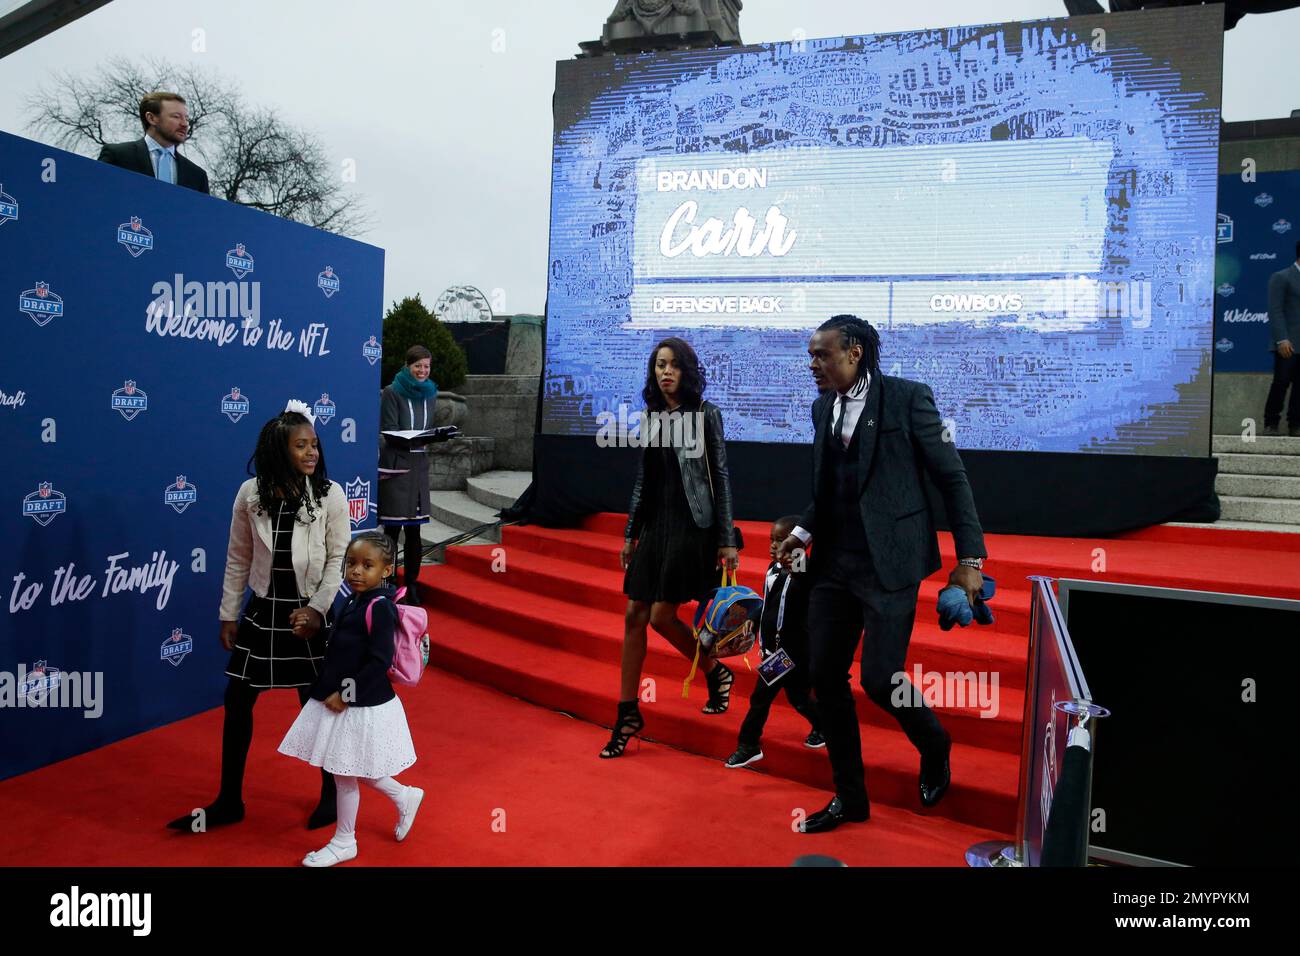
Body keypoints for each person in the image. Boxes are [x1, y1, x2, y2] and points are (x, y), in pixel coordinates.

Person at [776, 315, 988, 833]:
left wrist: (970, 561)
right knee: (824, 678)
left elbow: (952, 478)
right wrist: (800, 534)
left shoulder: (909, 398)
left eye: (822, 354)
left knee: (879, 678)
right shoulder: (821, 408)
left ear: (854, 353)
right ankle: (850, 798)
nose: (812, 364)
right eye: (810, 355)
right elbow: (829, 490)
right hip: (833, 565)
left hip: (891, 564)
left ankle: (933, 742)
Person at [166, 402, 349, 833]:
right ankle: (229, 800)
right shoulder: (250, 494)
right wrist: (228, 613)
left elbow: (337, 558)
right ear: (278, 450)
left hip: (310, 612)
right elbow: (238, 556)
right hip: (264, 610)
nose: (312, 452)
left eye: (315, 444)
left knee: (318, 704)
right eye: (301, 445)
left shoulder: (329, 494)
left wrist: (317, 610)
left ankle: (331, 794)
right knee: (237, 700)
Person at [603, 337, 741, 758]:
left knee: (662, 617)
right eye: (660, 365)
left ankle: (715, 671)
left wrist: (726, 539)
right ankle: (628, 714)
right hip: (655, 527)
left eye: (674, 365)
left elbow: (720, 477)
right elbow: (644, 479)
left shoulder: (705, 414)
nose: (666, 372)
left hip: (691, 526)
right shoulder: (651, 416)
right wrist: (631, 533)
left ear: (687, 371)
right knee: (634, 614)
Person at [278, 531, 422, 867]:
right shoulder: (354, 599)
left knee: (344, 773)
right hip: (342, 696)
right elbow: (345, 641)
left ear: (386, 570)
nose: (356, 571)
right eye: (351, 563)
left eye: (367, 565)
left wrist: (345, 695)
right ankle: (404, 795)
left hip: (360, 702)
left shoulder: (380, 607)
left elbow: (379, 661)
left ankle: (345, 841)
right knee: (349, 767)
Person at [725, 515, 824, 769]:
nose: (773, 545)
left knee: (761, 697)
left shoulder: (803, 571)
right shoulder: (773, 569)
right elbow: (769, 603)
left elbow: (802, 573)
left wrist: (795, 553)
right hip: (774, 650)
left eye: (780, 540)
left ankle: (748, 744)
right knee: (798, 697)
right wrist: (753, 619)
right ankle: (823, 725)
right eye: (772, 539)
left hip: (790, 652)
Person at [378, 346, 439, 604]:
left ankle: (412, 583)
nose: (422, 371)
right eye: (418, 366)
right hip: (397, 466)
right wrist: (414, 439)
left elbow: (428, 428)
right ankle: (388, 581)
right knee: (392, 530)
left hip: (419, 467)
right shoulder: (392, 392)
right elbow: (389, 429)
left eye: (426, 366)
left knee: (415, 532)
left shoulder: (431, 393)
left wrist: (437, 435)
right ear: (407, 365)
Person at [97, 91, 210, 194]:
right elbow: (96, 195)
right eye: (176, 117)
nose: (185, 124)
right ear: (151, 118)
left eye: (186, 118)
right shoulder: (118, 155)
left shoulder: (197, 175)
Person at [1264, 242, 1300, 437]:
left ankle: (1295, 424)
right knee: (1281, 383)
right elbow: (1275, 310)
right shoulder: (1282, 277)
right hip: (1288, 343)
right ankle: (1271, 423)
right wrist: (1282, 340)